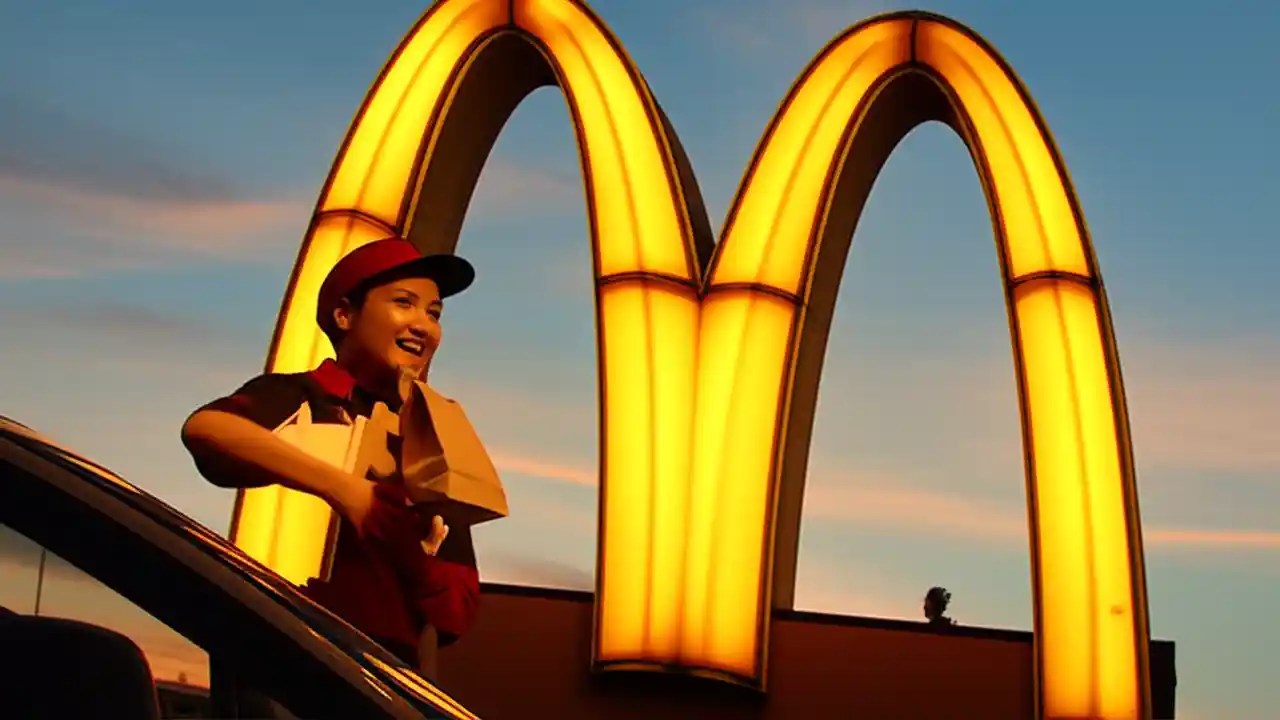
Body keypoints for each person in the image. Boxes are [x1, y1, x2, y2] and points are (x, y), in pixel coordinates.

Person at [181, 237, 481, 672]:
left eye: (433, 313)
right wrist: (345, 490)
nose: (423, 325)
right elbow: (206, 429)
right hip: (285, 657)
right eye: (404, 303)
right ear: (345, 315)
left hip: (386, 677)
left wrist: (414, 558)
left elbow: (456, 609)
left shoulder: (433, 438)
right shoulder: (305, 395)